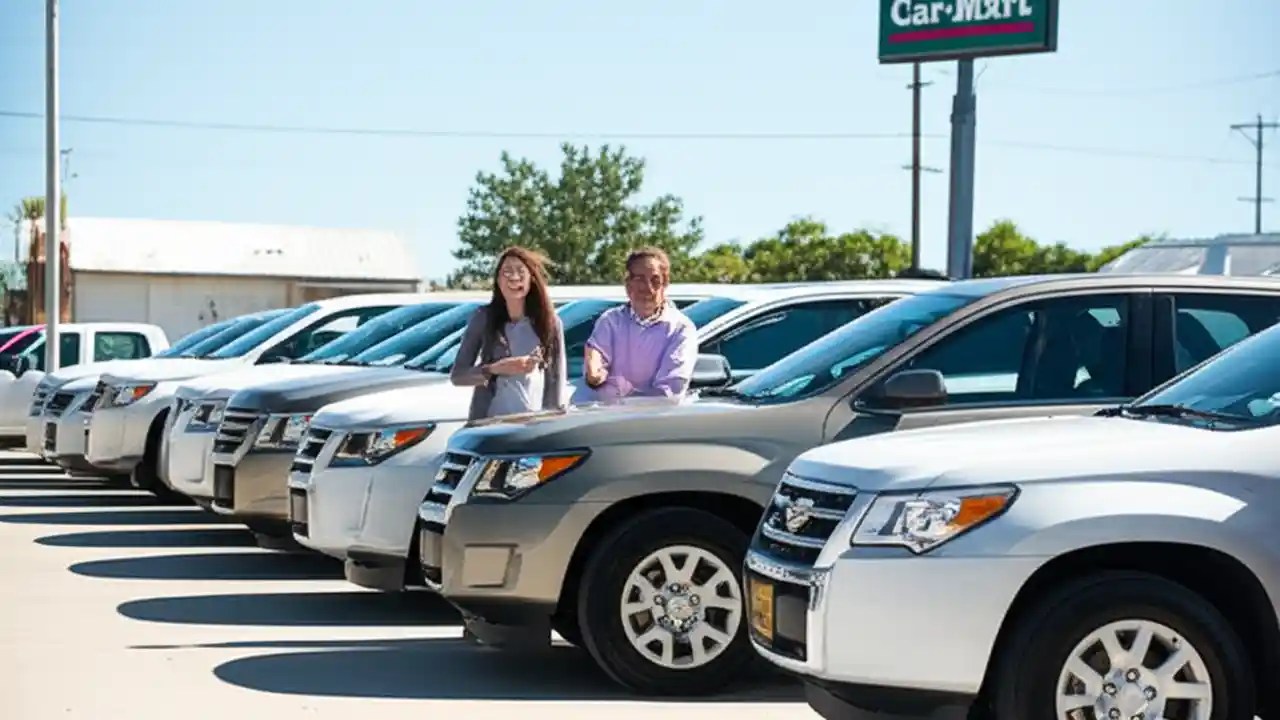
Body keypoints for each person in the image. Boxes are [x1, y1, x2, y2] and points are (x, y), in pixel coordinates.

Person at [451, 246, 567, 421]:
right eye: (507, 272)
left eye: (521, 271)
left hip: (532, 424)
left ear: (531, 279)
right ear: (498, 280)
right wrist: (494, 369)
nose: (514, 277)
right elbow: (458, 376)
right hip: (488, 422)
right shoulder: (483, 318)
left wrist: (551, 422)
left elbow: (556, 381)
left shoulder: (549, 323)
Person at [573, 246, 698, 405]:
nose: (647, 288)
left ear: (665, 284)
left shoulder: (681, 329)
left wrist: (621, 394)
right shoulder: (610, 321)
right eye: (639, 279)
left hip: (656, 418)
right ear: (628, 284)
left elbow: (669, 392)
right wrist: (594, 374)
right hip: (605, 416)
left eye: (655, 281)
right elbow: (595, 371)